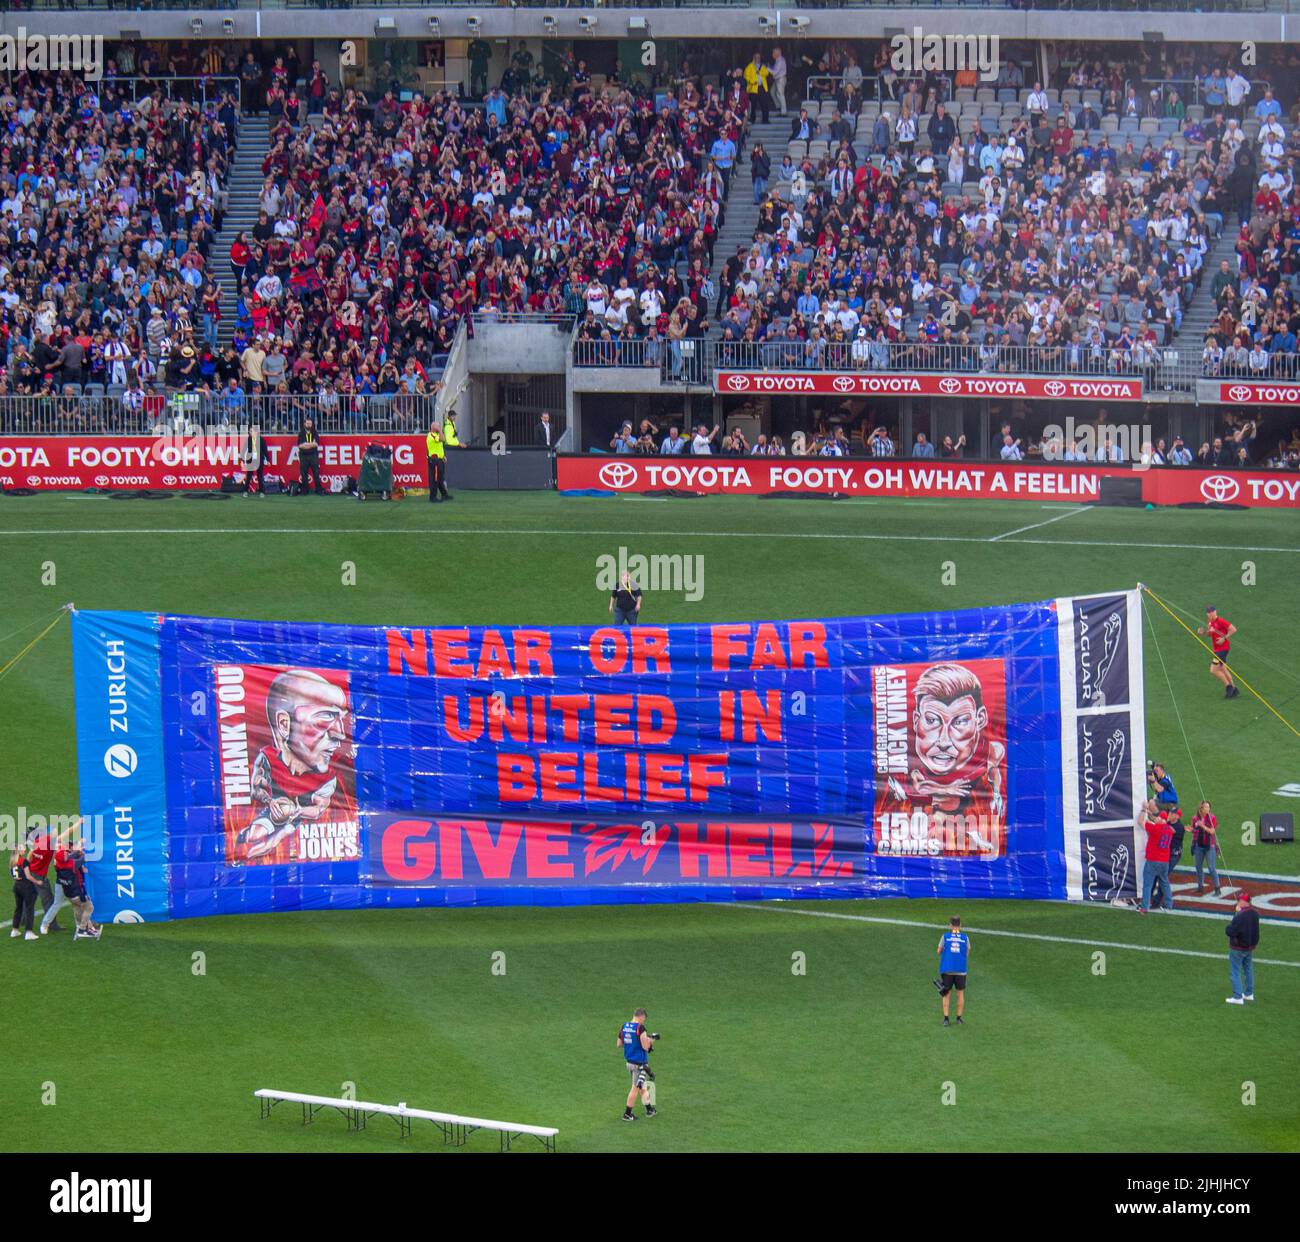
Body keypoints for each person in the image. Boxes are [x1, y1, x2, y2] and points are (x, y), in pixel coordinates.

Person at [52, 836, 101, 941]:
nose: (67, 853)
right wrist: (82, 850)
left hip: (68, 893)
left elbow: (70, 856)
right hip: (76, 892)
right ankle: (83, 929)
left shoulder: (58, 865)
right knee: (89, 907)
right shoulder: (71, 864)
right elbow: (82, 858)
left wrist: (77, 849)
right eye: (65, 853)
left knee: (77, 908)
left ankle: (80, 927)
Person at [617, 1007, 658, 1120]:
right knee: (635, 1088)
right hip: (639, 1064)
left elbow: (619, 1044)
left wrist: (632, 1044)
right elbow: (645, 1047)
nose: (644, 1021)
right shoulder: (640, 1028)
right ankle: (627, 1114)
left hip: (629, 1062)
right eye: (644, 1018)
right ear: (641, 1016)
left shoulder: (624, 1026)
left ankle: (649, 1109)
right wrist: (651, 1041)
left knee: (642, 1087)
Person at [1138, 799, 1175, 913]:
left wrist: (1144, 809)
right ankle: (1169, 905)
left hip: (1153, 860)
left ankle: (1144, 907)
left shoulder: (1155, 828)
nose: (1156, 818)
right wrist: (1151, 815)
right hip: (1164, 861)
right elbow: (1157, 821)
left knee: (1148, 884)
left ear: (1161, 819)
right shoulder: (1169, 829)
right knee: (1165, 883)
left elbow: (1140, 822)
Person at [1224, 892, 1259, 1004]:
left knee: (1235, 971)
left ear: (1244, 902)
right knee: (1248, 970)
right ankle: (1249, 994)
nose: (1238, 901)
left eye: (1240, 900)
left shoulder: (1240, 916)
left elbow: (1230, 931)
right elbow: (1256, 931)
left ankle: (1238, 997)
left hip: (1238, 948)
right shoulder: (1255, 913)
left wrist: (1236, 913)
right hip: (1249, 947)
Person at [1197, 606, 1239, 698]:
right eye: (1208, 612)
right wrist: (1203, 632)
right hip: (1217, 650)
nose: (1210, 614)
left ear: (1215, 612)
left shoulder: (1221, 621)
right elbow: (1210, 634)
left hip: (1223, 649)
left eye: (1211, 612)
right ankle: (1234, 689)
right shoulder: (1210, 622)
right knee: (1223, 668)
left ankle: (1228, 686)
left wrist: (1224, 638)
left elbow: (1233, 629)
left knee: (1213, 670)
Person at [935, 916, 969, 1026]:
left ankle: (946, 1019)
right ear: (960, 925)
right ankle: (959, 1019)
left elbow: (939, 951)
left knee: (946, 994)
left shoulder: (945, 937)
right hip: (961, 970)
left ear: (950, 925)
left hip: (947, 969)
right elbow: (967, 952)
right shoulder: (965, 938)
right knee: (960, 994)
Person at [1191, 800, 1222, 896]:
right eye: (1205, 807)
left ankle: (1217, 888)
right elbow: (1194, 830)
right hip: (1198, 845)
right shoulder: (1195, 818)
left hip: (1210, 845)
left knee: (1211, 867)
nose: (1207, 809)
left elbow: (1212, 831)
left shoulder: (1212, 818)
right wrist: (1191, 830)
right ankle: (1200, 886)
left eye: (1209, 807)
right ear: (1201, 808)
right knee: (1198, 866)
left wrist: (1203, 826)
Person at [10, 847, 39, 940]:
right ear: (18, 850)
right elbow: (28, 876)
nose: (24, 849)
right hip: (26, 887)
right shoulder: (24, 861)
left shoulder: (12, 861)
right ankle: (29, 932)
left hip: (17, 886)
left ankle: (14, 930)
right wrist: (37, 882)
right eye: (22, 848)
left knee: (18, 908)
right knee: (29, 909)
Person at [297, 417, 323, 495]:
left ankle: (319, 490)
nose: (309, 425)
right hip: (303, 456)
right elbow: (300, 445)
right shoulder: (301, 433)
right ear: (305, 424)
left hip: (313, 455)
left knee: (316, 473)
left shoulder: (315, 432)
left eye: (310, 423)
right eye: (307, 423)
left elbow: (316, 444)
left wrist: (307, 444)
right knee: (304, 474)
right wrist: (311, 445)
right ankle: (305, 491)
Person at [426, 422, 450, 502]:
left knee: (440, 478)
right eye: (438, 426)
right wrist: (440, 430)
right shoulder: (432, 435)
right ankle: (433, 497)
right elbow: (443, 439)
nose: (439, 428)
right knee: (435, 479)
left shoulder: (435, 435)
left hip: (439, 460)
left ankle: (444, 495)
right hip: (434, 461)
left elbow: (439, 447)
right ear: (433, 427)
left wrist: (443, 456)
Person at [244, 424, 267, 497]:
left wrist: (268, 459)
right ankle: (245, 491)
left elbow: (265, 450)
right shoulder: (249, 439)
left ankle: (262, 491)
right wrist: (242, 459)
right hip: (251, 460)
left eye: (251, 431)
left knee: (260, 476)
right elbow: (244, 449)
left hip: (259, 460)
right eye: (249, 431)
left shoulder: (261, 440)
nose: (250, 432)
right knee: (249, 476)